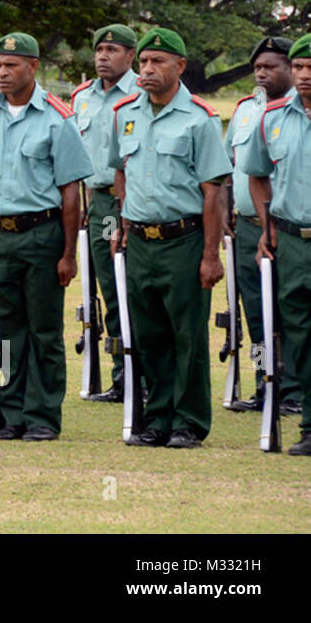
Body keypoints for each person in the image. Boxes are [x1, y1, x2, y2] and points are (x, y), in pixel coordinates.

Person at [0, 32, 91, 441]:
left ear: (33, 67)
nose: (2, 73)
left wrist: (69, 253)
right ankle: (13, 414)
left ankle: (43, 416)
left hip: (41, 235)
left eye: (11, 65)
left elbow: (72, 192)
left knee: (44, 330)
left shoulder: (58, 117)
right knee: (7, 329)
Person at [109, 27, 231, 449]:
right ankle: (156, 418)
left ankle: (189, 420)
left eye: (157, 62)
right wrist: (123, 224)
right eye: (143, 61)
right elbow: (118, 170)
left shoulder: (200, 118)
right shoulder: (125, 112)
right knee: (148, 334)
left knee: (187, 335)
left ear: (180, 66)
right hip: (140, 240)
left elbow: (213, 190)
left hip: (184, 239)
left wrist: (210, 255)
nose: (147, 69)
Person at [242, 31, 311, 456]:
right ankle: (309, 425)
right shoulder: (272, 118)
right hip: (291, 240)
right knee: (300, 335)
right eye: (300, 68)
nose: (304, 76)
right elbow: (256, 173)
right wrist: (266, 227)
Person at [226, 37, 302, 415]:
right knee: (255, 313)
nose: (261, 72)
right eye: (257, 66)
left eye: (271, 66)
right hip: (247, 229)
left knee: (290, 312)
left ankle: (294, 389)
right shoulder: (243, 111)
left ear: (292, 69)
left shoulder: (292, 113)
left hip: (285, 229)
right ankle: (262, 381)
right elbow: (229, 169)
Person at [70, 24, 139, 402]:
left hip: (130, 202)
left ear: (130, 56)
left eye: (112, 50)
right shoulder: (82, 97)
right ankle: (121, 374)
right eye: (98, 49)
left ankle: (141, 373)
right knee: (108, 293)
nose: (102, 56)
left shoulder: (142, 94)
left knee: (130, 289)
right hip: (97, 203)